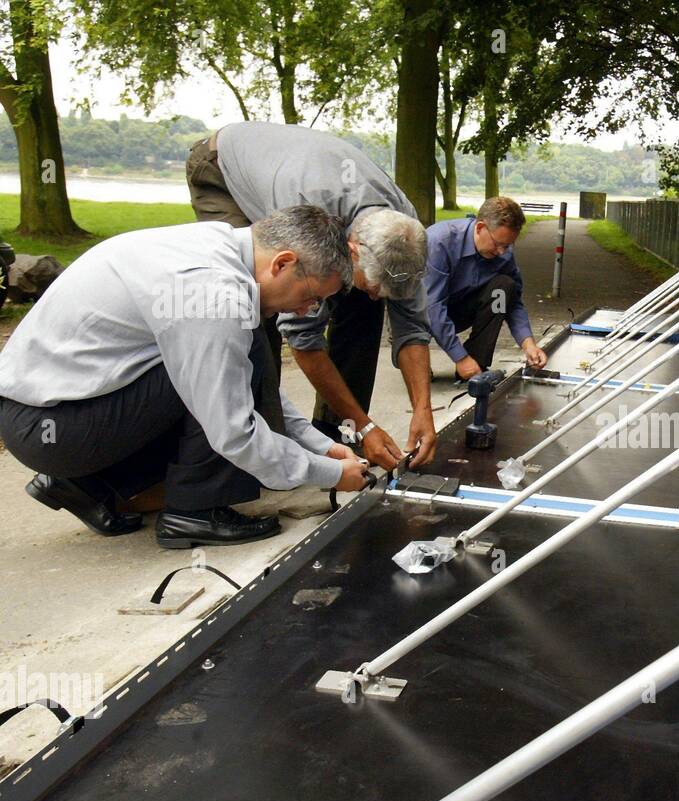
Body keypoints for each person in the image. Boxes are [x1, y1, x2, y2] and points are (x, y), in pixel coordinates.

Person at [0, 206, 371, 547]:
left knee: (238, 351)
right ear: (283, 263)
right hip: (49, 427)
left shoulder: (220, 247)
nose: (308, 310)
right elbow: (234, 430)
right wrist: (330, 474)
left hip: (49, 411)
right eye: (312, 296)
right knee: (221, 375)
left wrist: (319, 445)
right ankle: (195, 511)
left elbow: (247, 377)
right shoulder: (215, 294)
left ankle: (88, 483)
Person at [186, 121, 435, 471]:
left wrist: (422, 411)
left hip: (300, 175)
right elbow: (302, 337)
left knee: (362, 303)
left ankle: (336, 435)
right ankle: (256, 451)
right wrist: (367, 425)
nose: (380, 297)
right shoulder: (309, 215)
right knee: (253, 310)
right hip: (222, 171)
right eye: (373, 285)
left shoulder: (403, 231)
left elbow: (411, 326)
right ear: (351, 250)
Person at [424, 196, 548, 381]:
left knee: (504, 287)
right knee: (420, 373)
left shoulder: (503, 254)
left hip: (460, 308)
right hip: (420, 311)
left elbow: (513, 303)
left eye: (507, 245)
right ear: (480, 228)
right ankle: (423, 354)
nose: (501, 252)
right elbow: (432, 307)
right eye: (498, 244)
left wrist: (529, 345)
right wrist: (459, 357)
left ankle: (475, 364)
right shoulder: (439, 242)